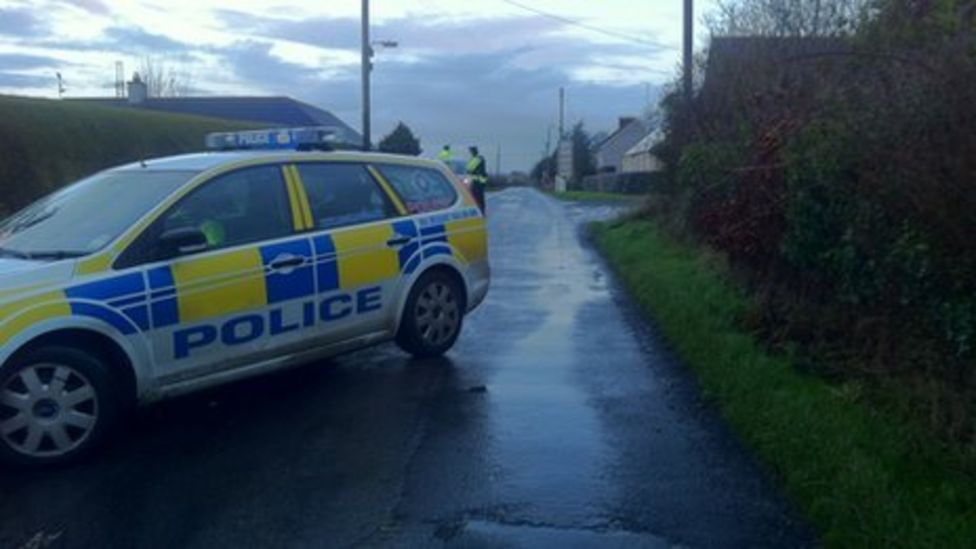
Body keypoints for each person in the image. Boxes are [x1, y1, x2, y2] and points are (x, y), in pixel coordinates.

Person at [466, 146, 488, 212]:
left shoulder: (476, 159)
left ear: (473, 152)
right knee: (480, 198)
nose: (470, 153)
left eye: (471, 151)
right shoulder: (479, 159)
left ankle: (479, 212)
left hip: (476, 182)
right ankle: (482, 211)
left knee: (475, 198)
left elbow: (469, 168)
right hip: (480, 182)